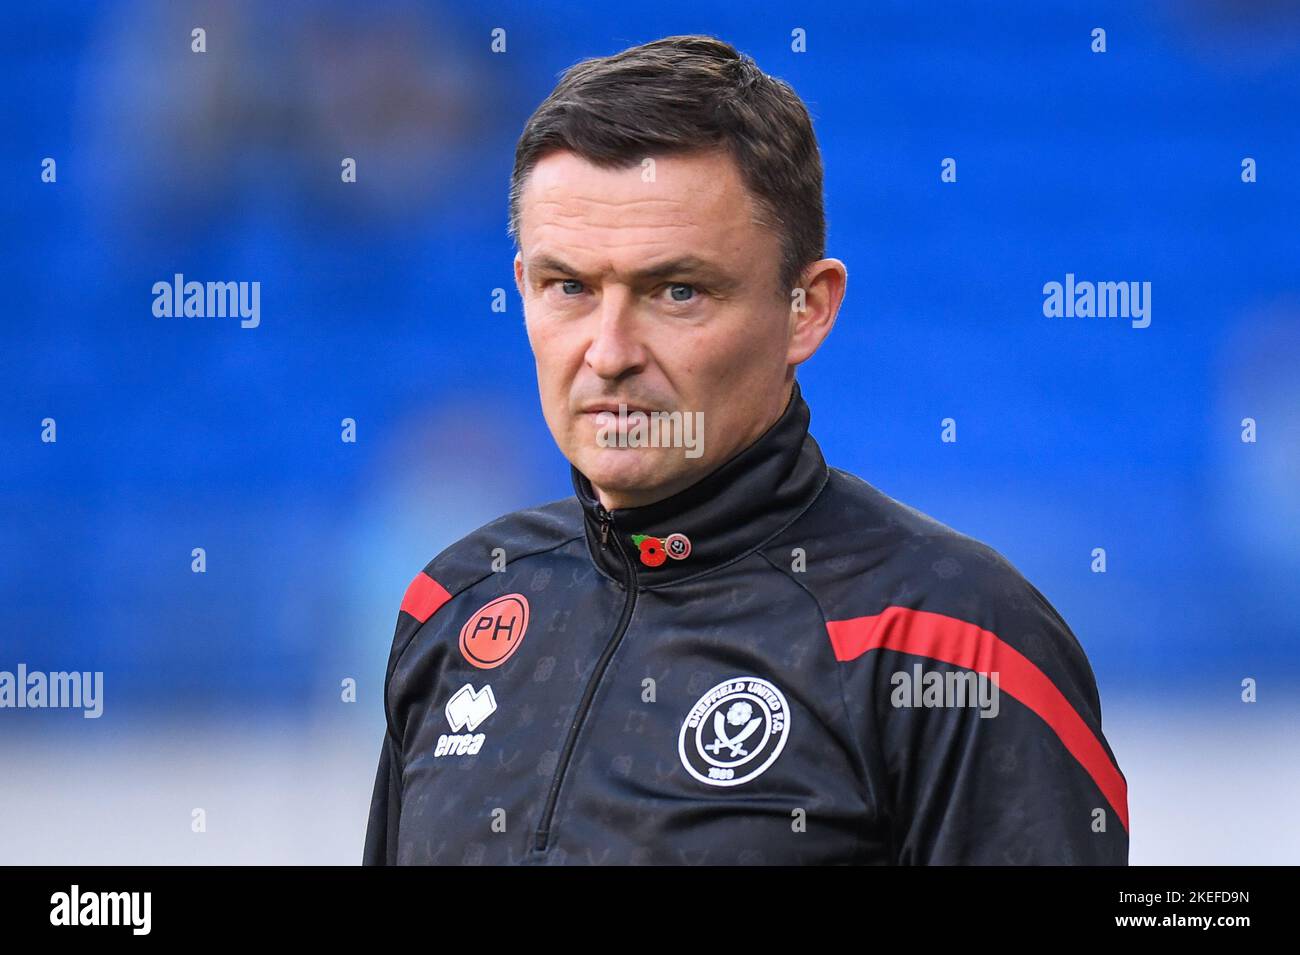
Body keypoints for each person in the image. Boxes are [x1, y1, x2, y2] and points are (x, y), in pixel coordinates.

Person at [363, 34, 1128, 865]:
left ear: (807, 308)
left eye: (677, 290)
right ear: (522, 290)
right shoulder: (458, 606)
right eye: (570, 287)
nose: (609, 349)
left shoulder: (949, 639)